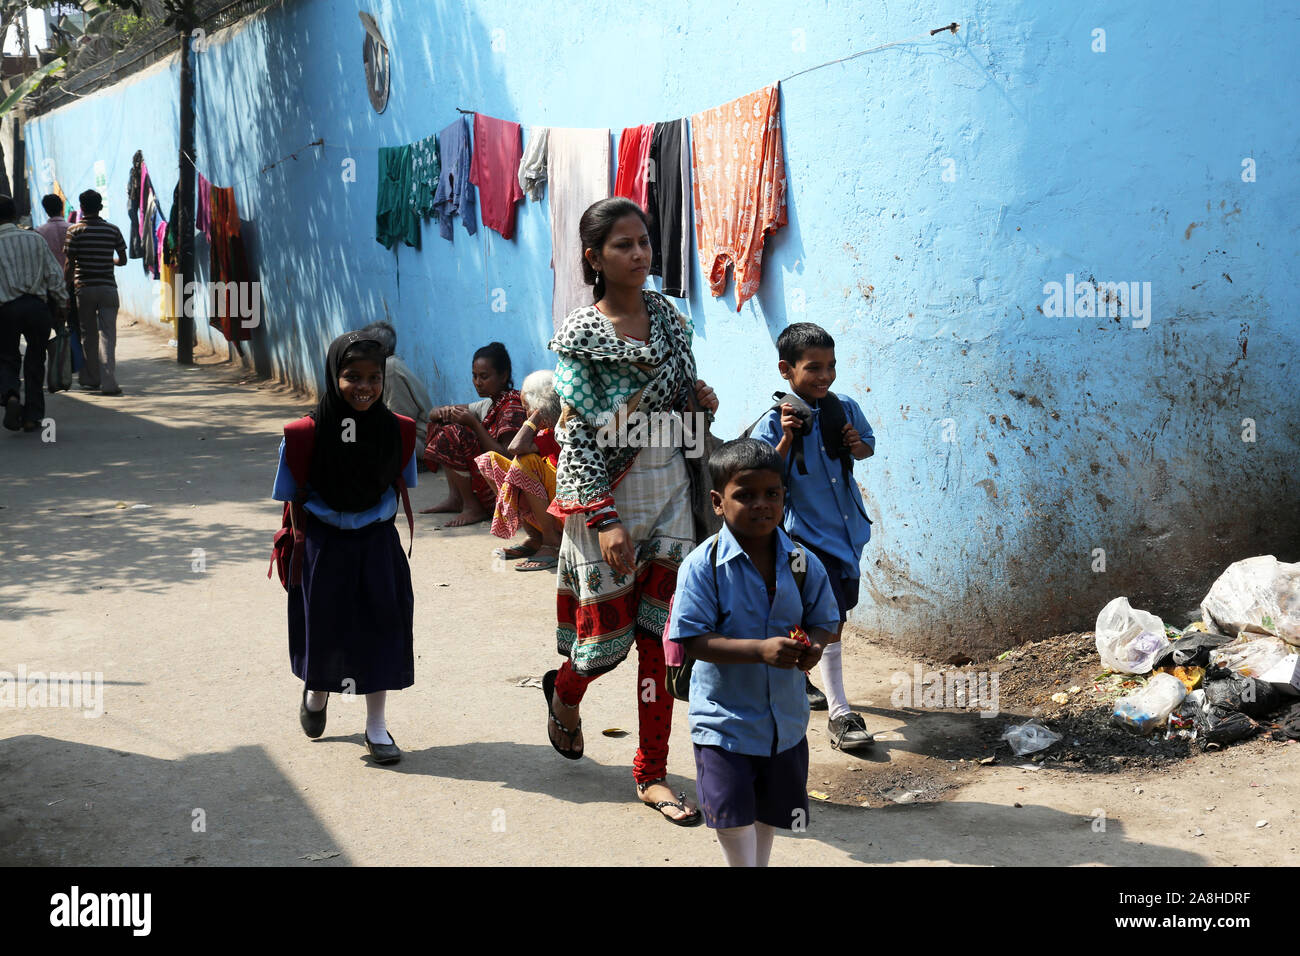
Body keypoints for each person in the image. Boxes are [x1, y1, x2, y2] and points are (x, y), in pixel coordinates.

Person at [541, 196, 717, 825]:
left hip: (670, 494)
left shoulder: (670, 320)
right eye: (623, 245)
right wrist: (605, 520)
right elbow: (578, 437)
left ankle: (651, 773)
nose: (639, 254)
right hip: (607, 508)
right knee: (601, 646)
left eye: (643, 242)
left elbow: (684, 414)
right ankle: (565, 694)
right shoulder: (584, 339)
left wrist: (702, 405)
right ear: (594, 257)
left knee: (660, 641)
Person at [667, 438, 839, 866]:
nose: (761, 504)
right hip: (724, 723)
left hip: (785, 722)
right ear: (718, 502)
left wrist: (813, 646)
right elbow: (690, 639)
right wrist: (759, 650)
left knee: (770, 810)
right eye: (744, 494)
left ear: (784, 496)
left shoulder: (801, 562)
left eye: (772, 494)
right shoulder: (703, 566)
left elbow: (826, 620)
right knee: (731, 813)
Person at [271, 330, 418, 765]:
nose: (365, 387)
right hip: (324, 546)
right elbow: (288, 492)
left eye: (374, 377)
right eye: (352, 376)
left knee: (383, 630)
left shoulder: (399, 432)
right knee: (327, 629)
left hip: (376, 543)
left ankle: (376, 728)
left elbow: (401, 485)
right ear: (333, 376)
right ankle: (316, 694)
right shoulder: (303, 436)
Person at [753, 322, 877, 751]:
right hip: (804, 540)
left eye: (831, 366)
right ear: (787, 370)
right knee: (832, 621)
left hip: (848, 537)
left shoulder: (845, 408)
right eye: (813, 368)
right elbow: (762, 476)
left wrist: (855, 443)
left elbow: (868, 448)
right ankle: (842, 714)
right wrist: (788, 437)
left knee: (814, 618)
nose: (824, 376)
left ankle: (800, 673)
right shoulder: (774, 421)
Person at [420, 341, 525, 526]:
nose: (478, 382)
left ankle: (473, 507)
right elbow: (433, 413)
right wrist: (442, 412)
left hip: (511, 488)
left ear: (503, 376)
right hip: (490, 480)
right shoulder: (489, 403)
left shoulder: (512, 406)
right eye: (474, 376)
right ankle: (456, 498)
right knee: (441, 426)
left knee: (455, 434)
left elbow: (507, 457)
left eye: (484, 376)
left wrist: (475, 425)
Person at [474, 369, 563, 571]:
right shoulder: (544, 432)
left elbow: (515, 447)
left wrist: (537, 413)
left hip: (565, 506)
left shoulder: (559, 428)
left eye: (527, 407)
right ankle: (535, 537)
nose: (525, 412)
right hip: (551, 503)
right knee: (490, 461)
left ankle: (552, 542)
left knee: (525, 462)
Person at [0, 194, 69, 433]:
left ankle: (10, 396)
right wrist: (62, 303)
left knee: (7, 358)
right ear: (15, 214)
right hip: (37, 308)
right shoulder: (34, 238)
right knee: (35, 360)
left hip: (6, 310)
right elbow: (53, 274)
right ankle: (32, 416)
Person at [63, 190, 127, 396]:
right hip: (108, 288)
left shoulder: (74, 230)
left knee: (88, 335)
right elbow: (123, 260)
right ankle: (109, 383)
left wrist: (66, 288)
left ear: (81, 208)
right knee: (108, 335)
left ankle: (91, 379)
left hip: (84, 289)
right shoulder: (113, 230)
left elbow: (69, 264)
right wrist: (110, 261)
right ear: (100, 207)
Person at [360, 320, 433, 452]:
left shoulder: (389, 368)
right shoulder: (386, 366)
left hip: (417, 442)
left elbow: (400, 419)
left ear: (382, 349)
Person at [34, 194, 69, 269]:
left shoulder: (39, 232)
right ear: (62, 207)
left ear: (46, 210)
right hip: (73, 276)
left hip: (52, 277)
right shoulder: (73, 229)